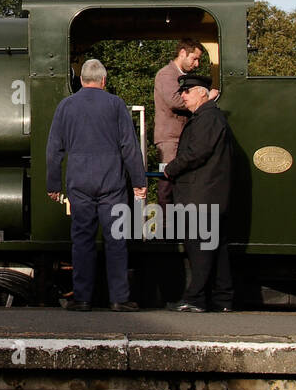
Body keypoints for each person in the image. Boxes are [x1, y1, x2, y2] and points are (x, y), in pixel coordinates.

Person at [46, 58, 148, 312]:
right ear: (104, 81)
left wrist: (53, 184)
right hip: (111, 182)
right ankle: (119, 298)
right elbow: (129, 146)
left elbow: (53, 149)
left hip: (79, 182)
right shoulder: (115, 104)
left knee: (82, 240)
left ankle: (82, 298)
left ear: (81, 80)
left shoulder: (66, 106)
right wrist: (139, 181)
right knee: (116, 239)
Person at [163, 72, 234, 312]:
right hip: (211, 194)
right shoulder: (209, 117)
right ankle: (223, 299)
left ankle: (195, 299)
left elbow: (197, 152)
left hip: (202, 195)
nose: (183, 95)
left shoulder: (207, 118)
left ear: (202, 93)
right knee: (217, 247)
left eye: (187, 91)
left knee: (200, 247)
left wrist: (171, 169)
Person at [153, 38, 218, 207]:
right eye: (194, 58)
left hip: (180, 137)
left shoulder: (183, 77)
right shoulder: (166, 74)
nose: (196, 64)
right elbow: (174, 100)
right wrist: (207, 98)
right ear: (182, 53)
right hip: (170, 139)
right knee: (167, 184)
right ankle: (165, 228)